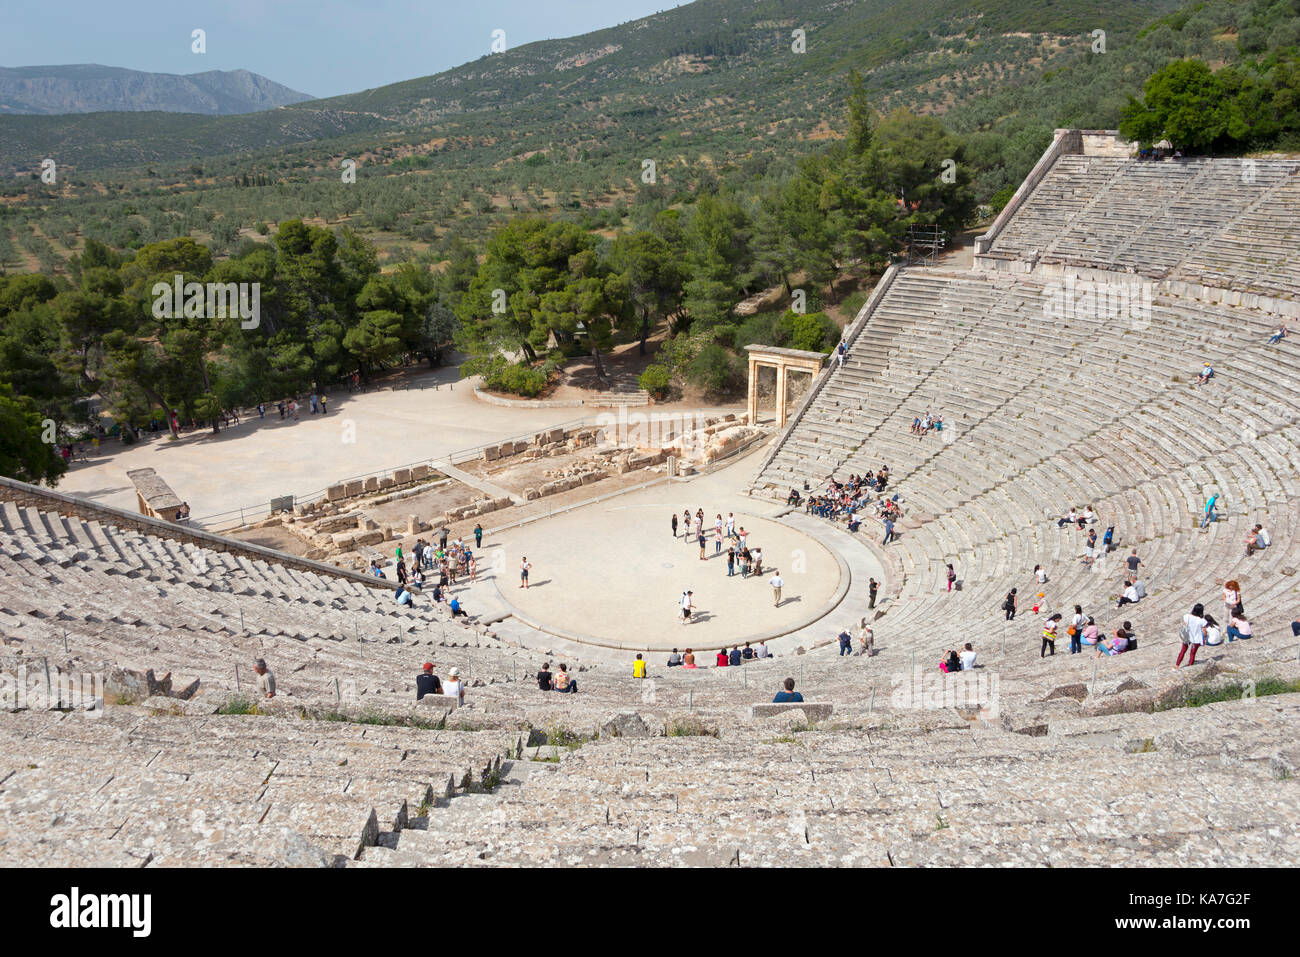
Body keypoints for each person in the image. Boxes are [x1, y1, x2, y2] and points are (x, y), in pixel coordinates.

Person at [1176, 603, 1207, 669]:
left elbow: (1184, 625)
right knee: (1192, 653)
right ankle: (1190, 666)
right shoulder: (1202, 620)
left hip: (1188, 637)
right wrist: (1205, 638)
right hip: (1196, 639)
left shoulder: (1187, 616)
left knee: (1183, 651)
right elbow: (1204, 632)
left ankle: (1177, 665)